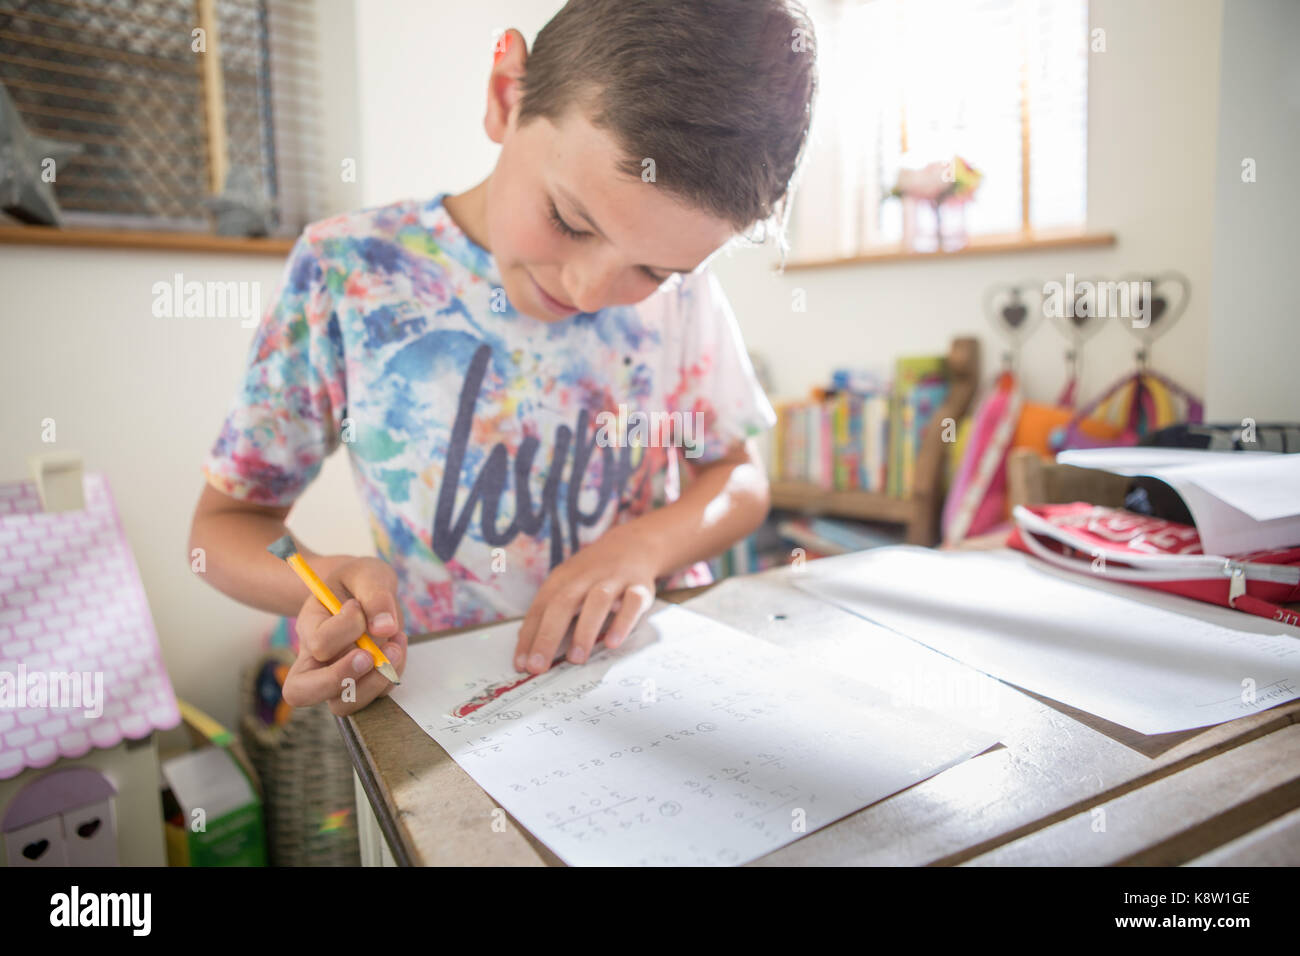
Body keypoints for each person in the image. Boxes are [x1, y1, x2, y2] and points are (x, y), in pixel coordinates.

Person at [189, 0, 817, 716]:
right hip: (449, 711)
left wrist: (641, 548)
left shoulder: (687, 297)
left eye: (652, 272)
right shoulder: (350, 272)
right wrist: (327, 586)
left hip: (654, 695)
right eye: (570, 221)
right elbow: (222, 527)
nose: (588, 290)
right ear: (505, 94)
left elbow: (738, 478)